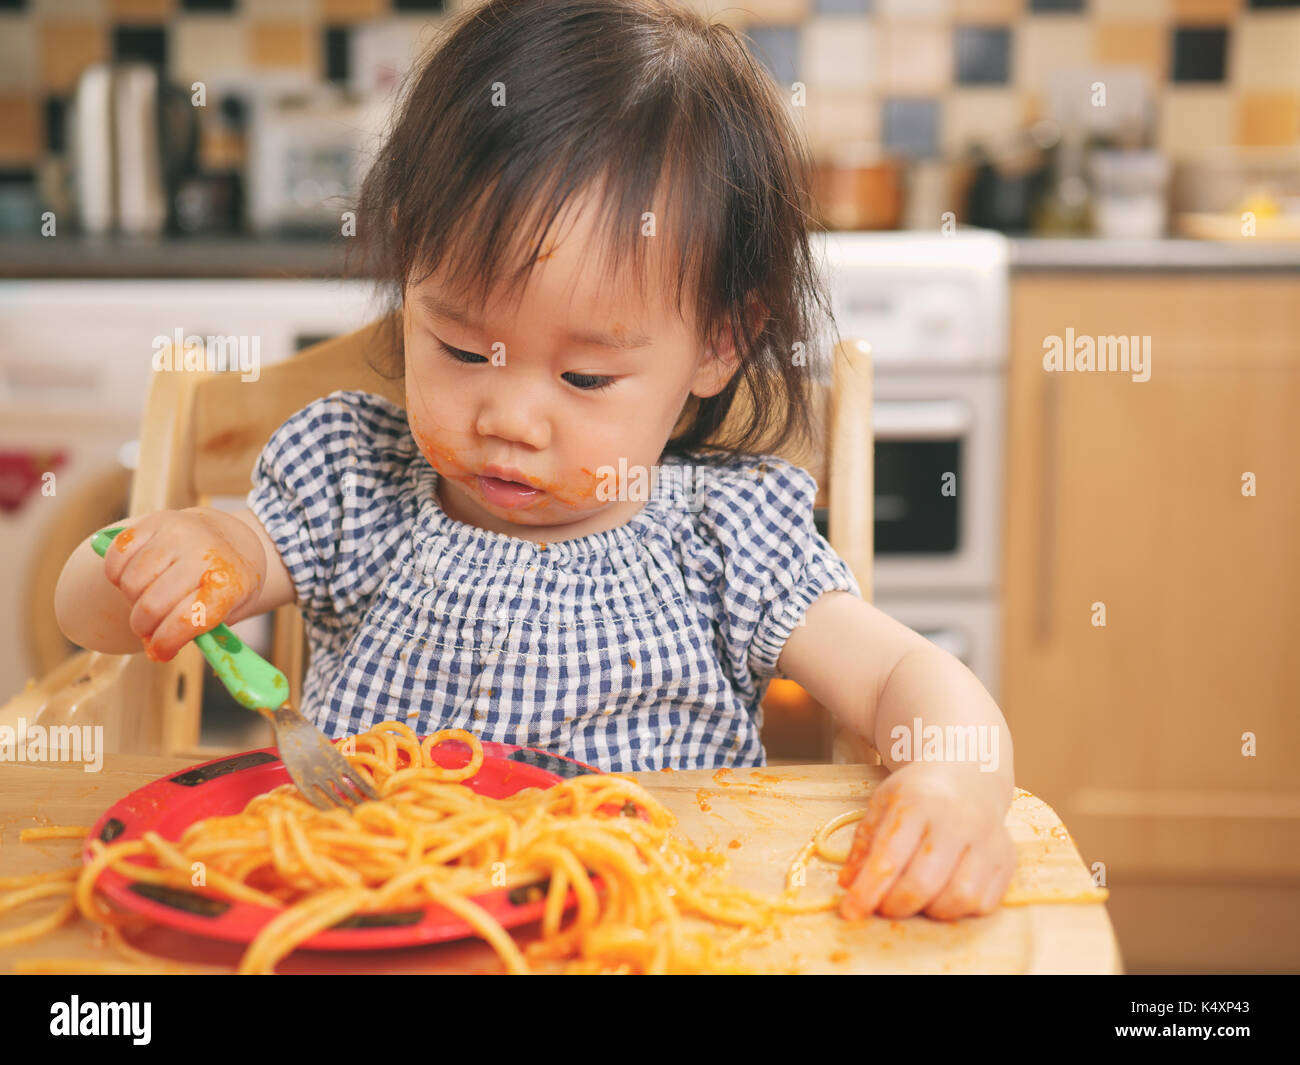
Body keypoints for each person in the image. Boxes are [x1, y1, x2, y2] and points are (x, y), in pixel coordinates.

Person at [55, 0, 1015, 921]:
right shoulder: (354, 482)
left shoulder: (724, 536)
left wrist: (954, 779)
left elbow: (904, 680)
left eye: (587, 376)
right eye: (464, 351)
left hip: (646, 929)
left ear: (717, 347)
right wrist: (173, 557)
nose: (510, 417)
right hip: (374, 919)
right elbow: (83, 609)